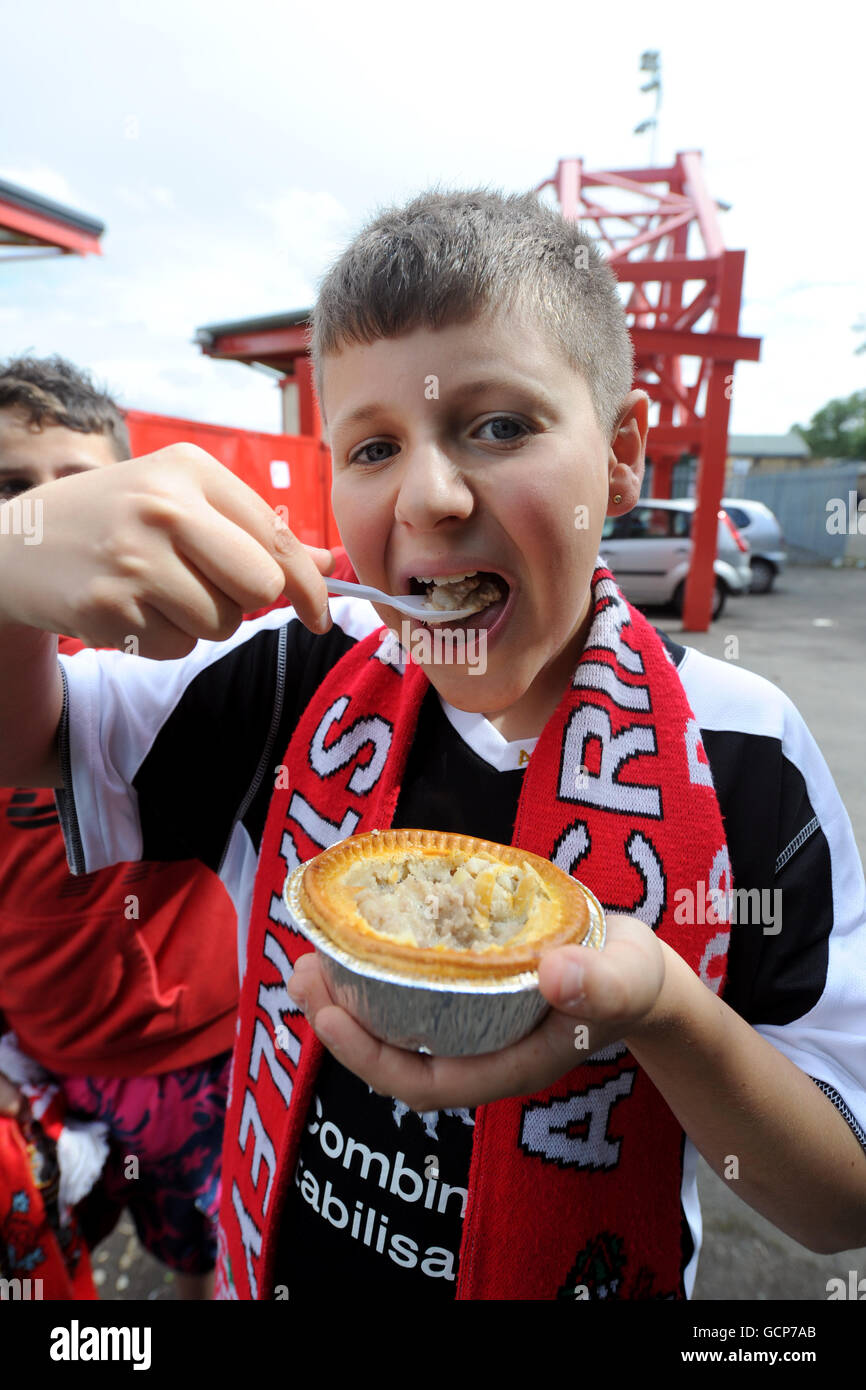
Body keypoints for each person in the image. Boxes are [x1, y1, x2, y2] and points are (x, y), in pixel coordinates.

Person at [0, 192, 864, 1302]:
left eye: (498, 425)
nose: (431, 496)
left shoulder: (743, 752)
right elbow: (32, 738)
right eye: (371, 447)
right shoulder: (282, 673)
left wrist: (661, 1008)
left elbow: (836, 1198)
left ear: (621, 457)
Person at [0, 356, 240, 1300]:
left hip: (195, 1057)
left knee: (201, 1259)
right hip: (39, 1062)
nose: (47, 519)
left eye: (78, 490)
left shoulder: (182, 665)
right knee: (49, 1273)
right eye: (12, 490)